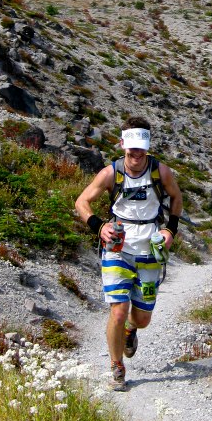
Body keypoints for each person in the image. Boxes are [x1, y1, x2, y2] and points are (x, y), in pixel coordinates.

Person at [75, 117, 183, 391]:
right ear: (122, 145)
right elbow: (82, 201)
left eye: (141, 150)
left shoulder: (161, 172)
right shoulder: (110, 173)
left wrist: (171, 229)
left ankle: (131, 331)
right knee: (119, 310)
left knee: (142, 319)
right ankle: (116, 367)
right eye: (131, 150)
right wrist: (98, 226)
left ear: (147, 148)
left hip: (150, 247)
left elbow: (176, 198)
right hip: (117, 249)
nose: (136, 156)